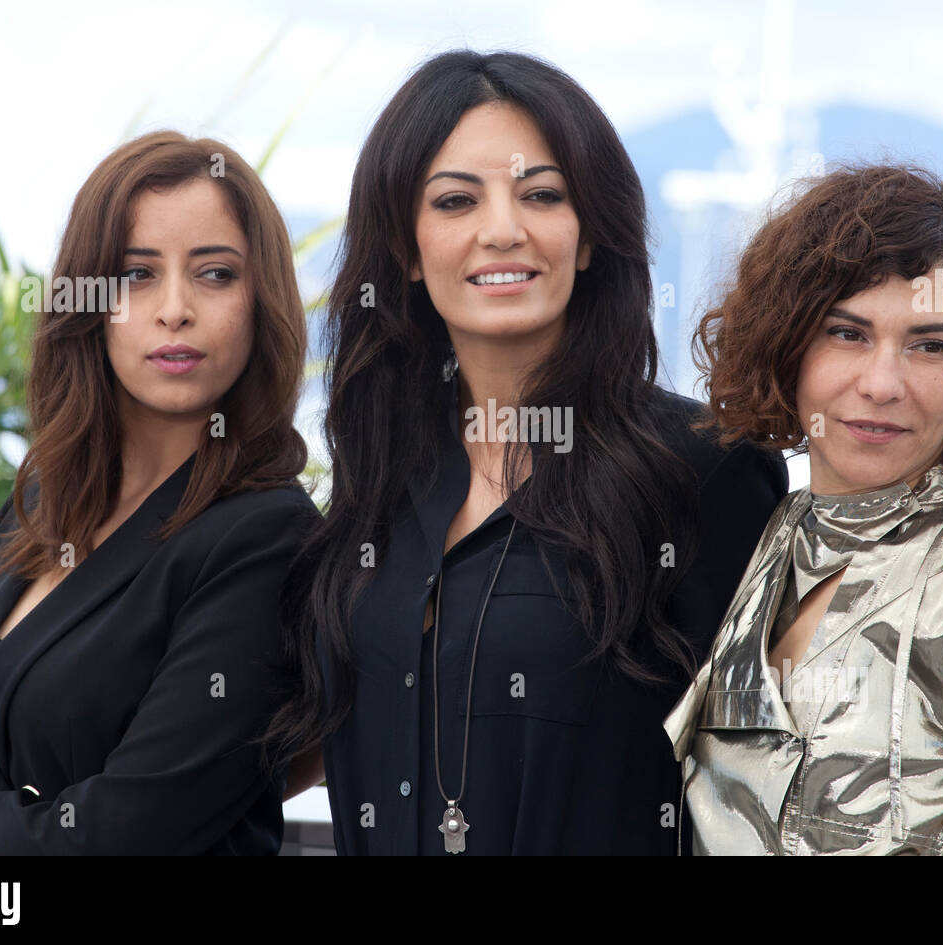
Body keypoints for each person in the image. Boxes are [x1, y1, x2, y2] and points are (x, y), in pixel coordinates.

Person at [264, 50, 787, 855]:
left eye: (542, 194)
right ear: (407, 250)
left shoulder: (703, 473)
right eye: (455, 200)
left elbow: (768, 789)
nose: (502, 229)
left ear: (588, 240)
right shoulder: (378, 488)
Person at [0, 131, 319, 855]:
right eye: (136, 275)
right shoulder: (38, 505)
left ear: (259, 300)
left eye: (214, 274)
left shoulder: (267, 537)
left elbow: (135, 828)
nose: (174, 308)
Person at [665, 164, 943, 855]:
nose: (882, 383)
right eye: (848, 333)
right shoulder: (761, 538)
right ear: (789, 348)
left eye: (931, 345)